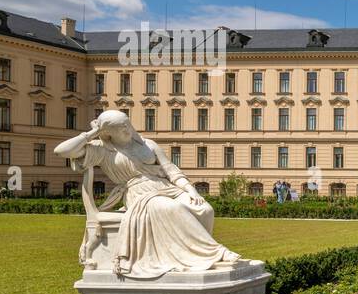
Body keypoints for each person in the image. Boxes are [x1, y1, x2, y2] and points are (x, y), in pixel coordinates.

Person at [55, 110, 239, 278]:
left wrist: (191, 190)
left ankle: (191, 257)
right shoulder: (102, 150)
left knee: (204, 209)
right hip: (139, 193)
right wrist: (91, 134)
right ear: (109, 132)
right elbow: (62, 151)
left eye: (127, 123)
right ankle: (215, 252)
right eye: (121, 127)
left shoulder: (148, 144)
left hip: (167, 187)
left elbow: (170, 170)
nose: (127, 128)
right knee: (170, 208)